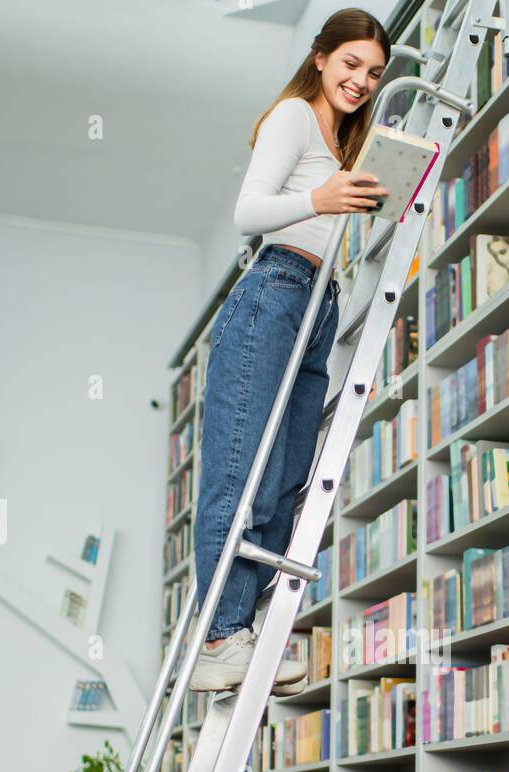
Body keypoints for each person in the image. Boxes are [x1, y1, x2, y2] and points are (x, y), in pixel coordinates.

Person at [190, 8, 390, 693]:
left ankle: (243, 629)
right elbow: (248, 212)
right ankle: (219, 637)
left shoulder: (343, 145)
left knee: (283, 481)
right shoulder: (294, 119)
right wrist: (320, 195)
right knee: (240, 467)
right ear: (319, 58)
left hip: (317, 302)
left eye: (373, 72)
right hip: (273, 291)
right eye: (350, 64)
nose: (360, 81)